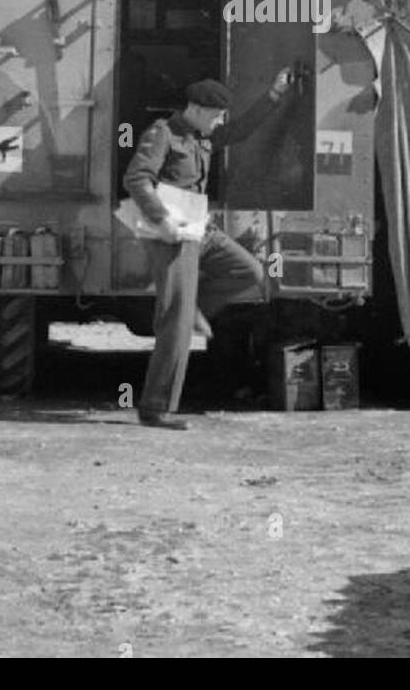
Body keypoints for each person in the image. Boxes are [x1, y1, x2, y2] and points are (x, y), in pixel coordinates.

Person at [123, 69, 295, 429]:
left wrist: (274, 94)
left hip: (199, 227)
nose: (220, 122)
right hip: (172, 234)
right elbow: (136, 178)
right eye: (216, 115)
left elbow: (243, 130)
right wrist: (162, 220)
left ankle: (197, 307)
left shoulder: (202, 138)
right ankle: (156, 408)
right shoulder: (163, 134)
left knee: (250, 271)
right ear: (199, 110)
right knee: (176, 322)